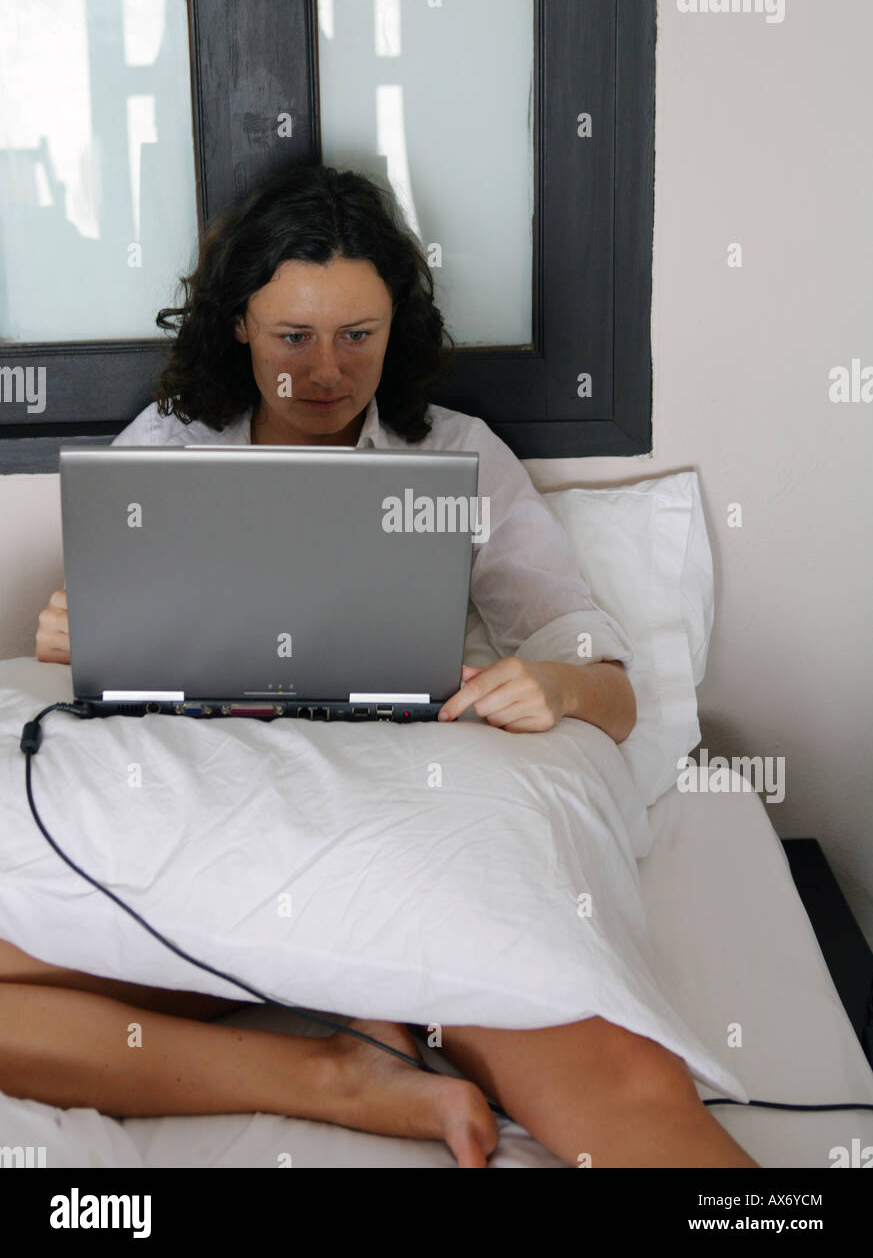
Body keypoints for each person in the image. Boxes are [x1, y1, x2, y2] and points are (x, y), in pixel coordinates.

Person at [10, 162, 759, 1168]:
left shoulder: (456, 452)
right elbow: (104, 639)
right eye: (293, 337)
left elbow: (610, 685)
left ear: (394, 328)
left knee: (633, 1098)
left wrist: (561, 684)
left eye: (358, 336)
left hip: (411, 823)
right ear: (238, 325)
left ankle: (384, 1002)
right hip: (214, 826)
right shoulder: (173, 447)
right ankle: (333, 1075)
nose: (327, 369)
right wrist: (80, 628)